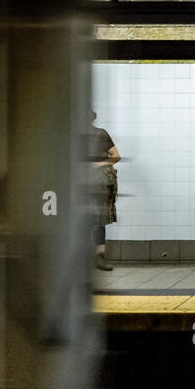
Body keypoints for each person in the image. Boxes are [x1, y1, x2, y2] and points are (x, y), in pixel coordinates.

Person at [91, 111, 120, 271]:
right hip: (100, 183)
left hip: (92, 183)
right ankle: (99, 258)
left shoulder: (74, 136)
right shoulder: (101, 134)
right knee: (99, 222)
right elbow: (116, 156)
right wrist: (102, 164)